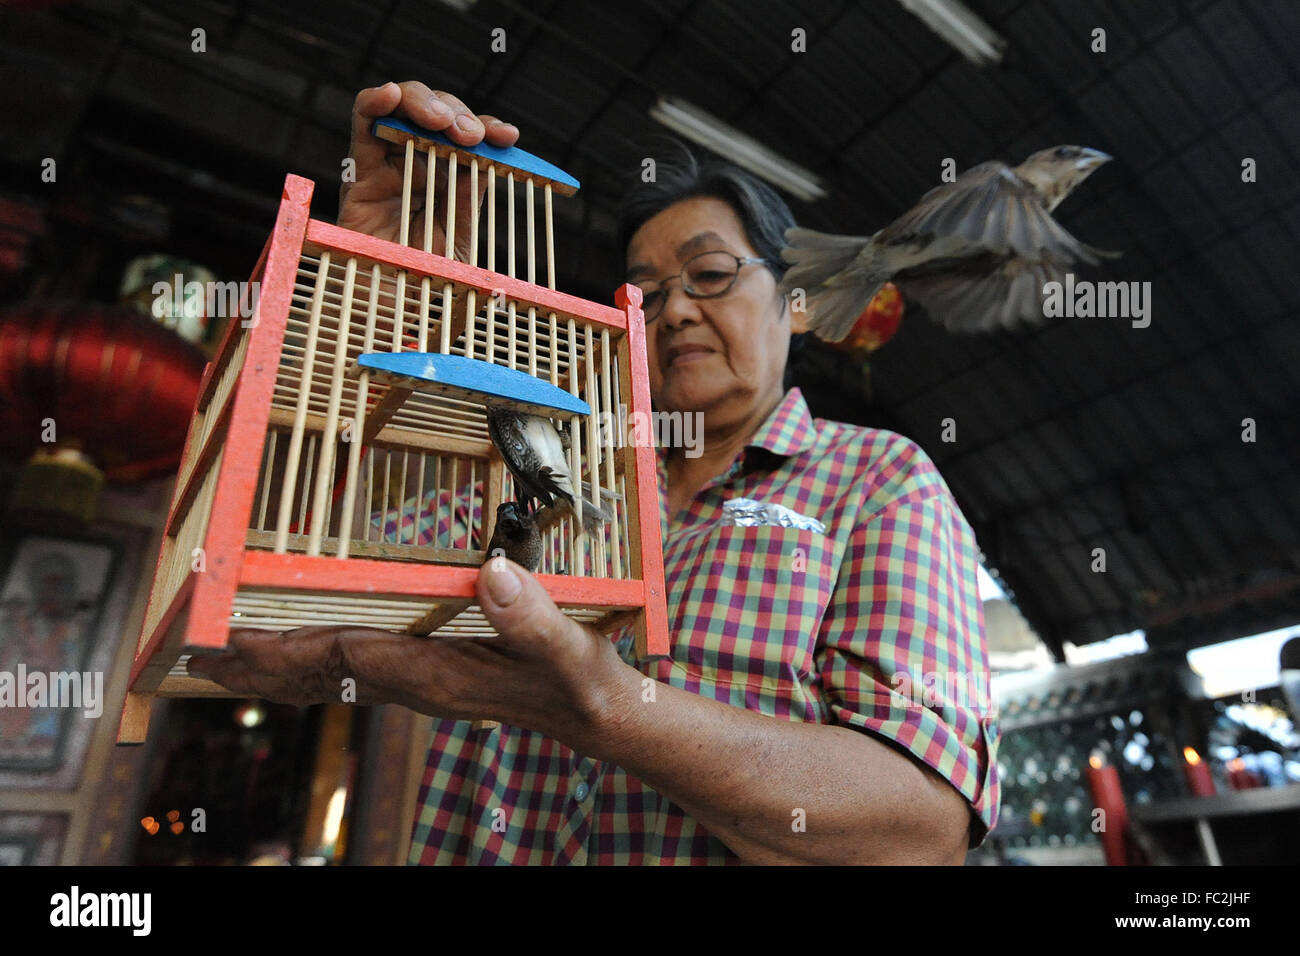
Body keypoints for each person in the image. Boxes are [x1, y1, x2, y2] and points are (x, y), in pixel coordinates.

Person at [189, 81, 999, 864]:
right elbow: (247, 608)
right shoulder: (534, 467)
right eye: (642, 295)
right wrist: (382, 298)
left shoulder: (878, 480)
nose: (674, 310)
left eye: (711, 275)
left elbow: (921, 831)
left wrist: (601, 705)